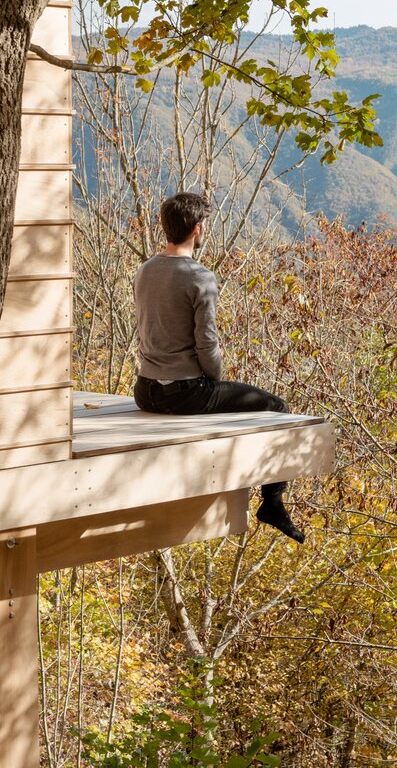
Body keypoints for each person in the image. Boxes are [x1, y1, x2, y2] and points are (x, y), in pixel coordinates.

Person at [132, 191, 305, 543]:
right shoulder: (199, 277)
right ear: (198, 229)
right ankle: (272, 502)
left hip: (145, 390)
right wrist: (214, 381)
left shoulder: (145, 270)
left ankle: (271, 502)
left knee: (246, 401)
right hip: (182, 393)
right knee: (277, 408)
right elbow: (206, 343)